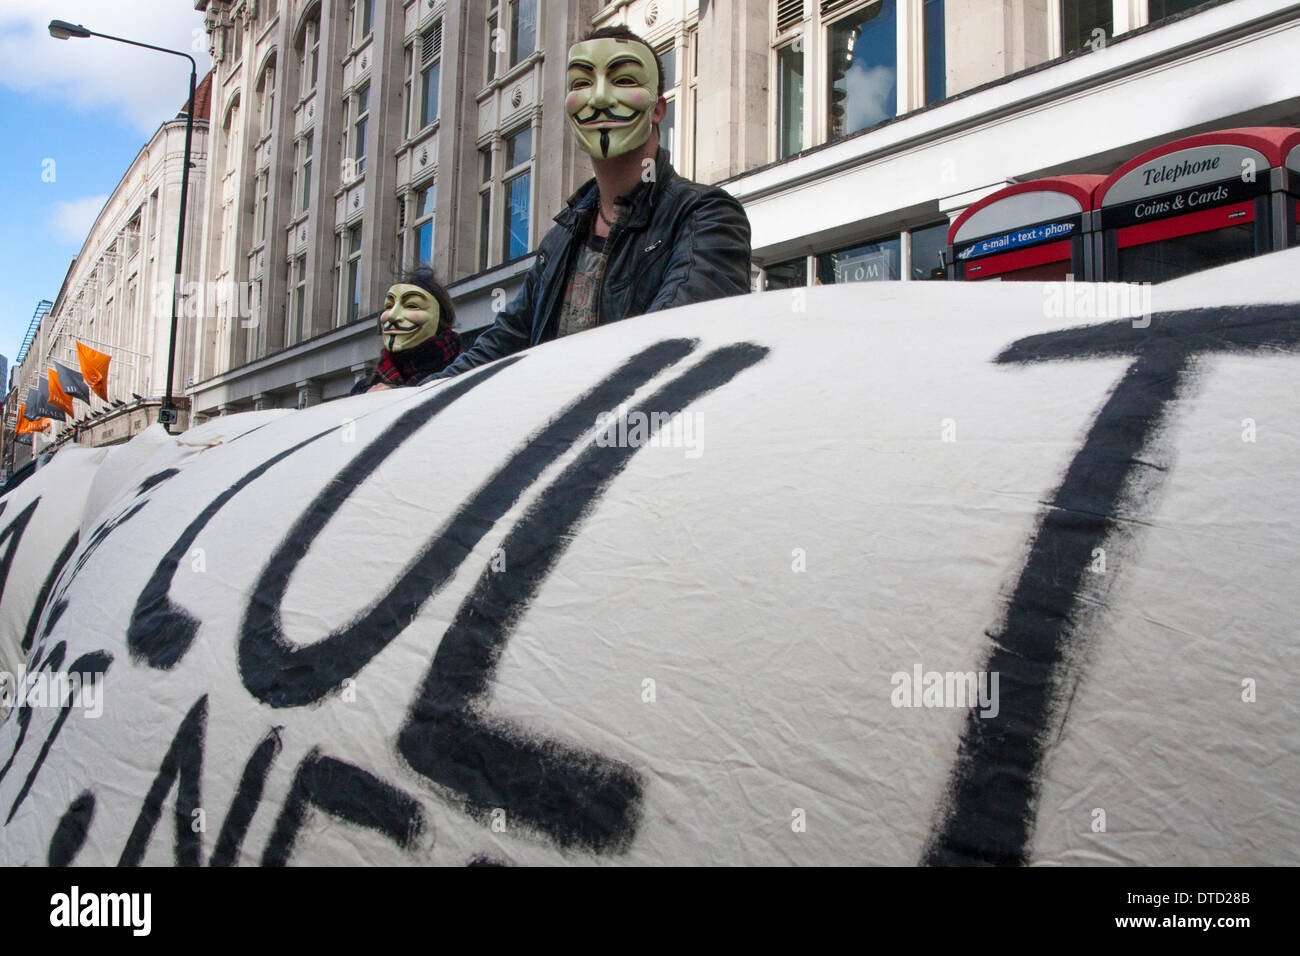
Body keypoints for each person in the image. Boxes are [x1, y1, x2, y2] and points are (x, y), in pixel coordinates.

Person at [422, 24, 751, 382]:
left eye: (624, 80)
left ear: (658, 109)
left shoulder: (704, 215)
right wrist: (407, 402)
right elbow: (499, 346)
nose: (598, 98)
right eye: (581, 83)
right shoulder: (560, 240)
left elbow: (672, 344)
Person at [352, 267, 462, 393]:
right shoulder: (363, 388)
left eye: (411, 306)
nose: (392, 315)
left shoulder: (464, 375)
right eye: (389, 306)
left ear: (439, 318)